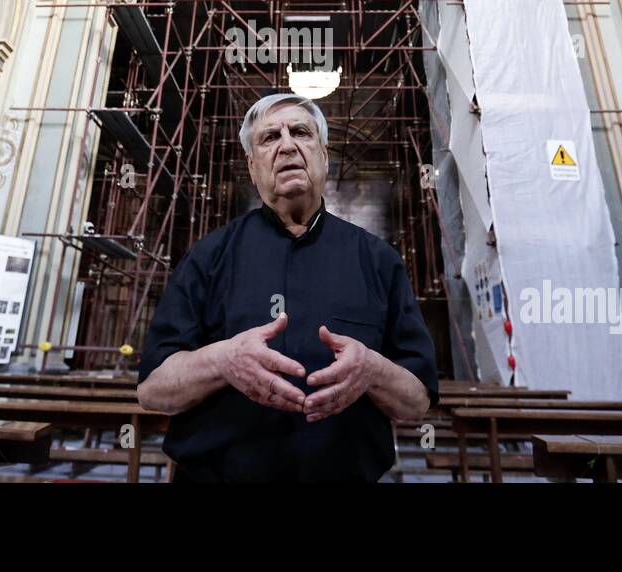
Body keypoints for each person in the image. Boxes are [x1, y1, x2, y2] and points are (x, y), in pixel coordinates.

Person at [137, 92, 439, 482]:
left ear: (324, 155)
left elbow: (417, 401)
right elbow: (152, 391)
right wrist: (221, 361)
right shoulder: (207, 257)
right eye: (269, 138)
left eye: (300, 132)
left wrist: (373, 370)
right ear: (252, 165)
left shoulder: (379, 261)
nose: (287, 145)